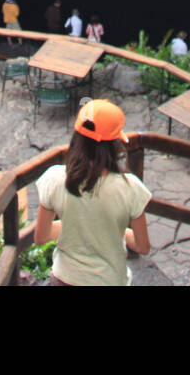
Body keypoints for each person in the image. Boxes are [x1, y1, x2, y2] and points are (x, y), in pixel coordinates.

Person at [34, 100, 151, 285]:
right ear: (115, 144)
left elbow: (41, 237)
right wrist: (115, 230)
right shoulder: (130, 187)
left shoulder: (54, 178)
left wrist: (77, 224)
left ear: (77, 138)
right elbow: (142, 246)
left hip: (64, 277)